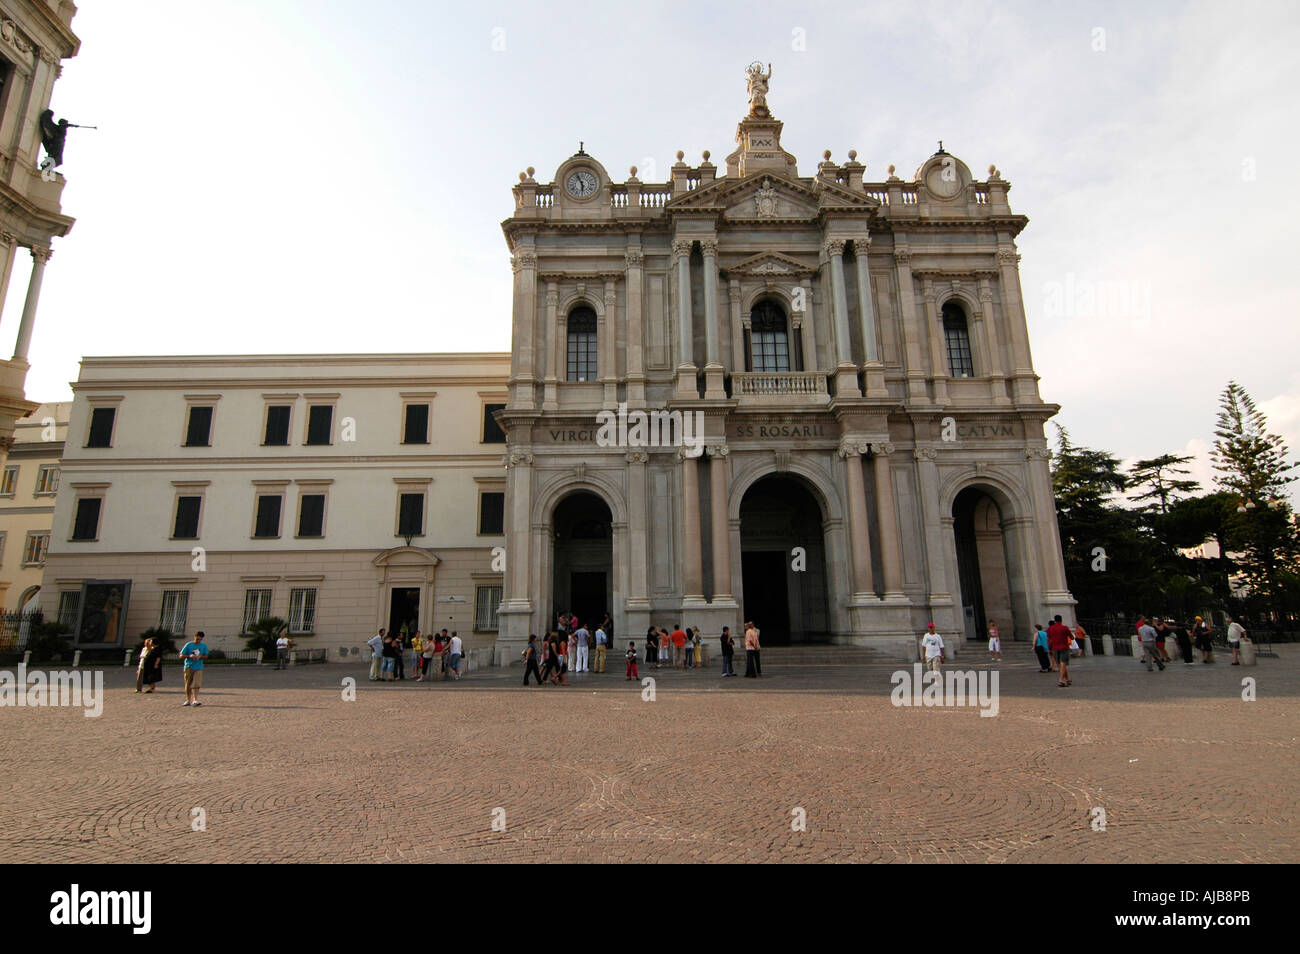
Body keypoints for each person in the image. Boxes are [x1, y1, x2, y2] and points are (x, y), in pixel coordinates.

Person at [178, 631, 210, 706]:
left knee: (196, 683)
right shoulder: (189, 645)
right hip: (189, 666)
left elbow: (206, 655)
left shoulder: (203, 645)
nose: (198, 641)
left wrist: (200, 657)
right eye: (197, 639)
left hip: (199, 667)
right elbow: (181, 655)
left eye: (200, 639)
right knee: (188, 684)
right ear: (194, 637)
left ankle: (195, 699)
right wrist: (189, 656)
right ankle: (188, 700)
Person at [1047, 616, 1073, 686]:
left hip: (1054, 648)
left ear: (1055, 620)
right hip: (1064, 647)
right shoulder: (1065, 628)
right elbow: (1072, 637)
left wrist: (1049, 648)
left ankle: (1067, 679)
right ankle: (1061, 680)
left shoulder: (1050, 628)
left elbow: (1049, 639)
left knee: (1060, 664)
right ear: (1061, 620)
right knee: (1063, 663)